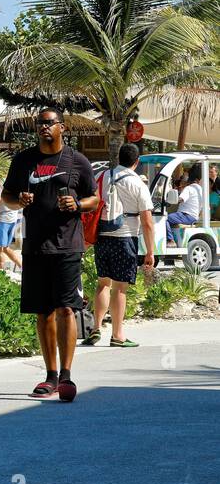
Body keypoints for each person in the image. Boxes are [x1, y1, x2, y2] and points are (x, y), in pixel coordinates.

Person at [1, 107, 97, 403]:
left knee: (66, 309)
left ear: (62, 128)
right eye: (40, 124)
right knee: (42, 313)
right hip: (35, 245)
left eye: (50, 123)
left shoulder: (76, 161)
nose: (44, 127)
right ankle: (50, 375)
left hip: (67, 245)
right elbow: (7, 195)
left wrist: (77, 205)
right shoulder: (24, 160)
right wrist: (20, 199)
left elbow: (94, 198)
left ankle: (67, 376)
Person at [87, 142, 155, 349]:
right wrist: (150, 252)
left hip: (102, 236)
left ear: (118, 158)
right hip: (125, 238)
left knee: (103, 283)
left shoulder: (103, 176)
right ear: (137, 162)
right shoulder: (137, 183)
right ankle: (117, 334)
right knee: (120, 289)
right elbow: (147, 221)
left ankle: (96, 328)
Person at [167, 163, 203, 246]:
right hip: (194, 216)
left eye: (184, 176)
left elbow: (180, 199)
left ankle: (170, 240)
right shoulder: (200, 189)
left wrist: (170, 200)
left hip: (186, 216)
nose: (183, 178)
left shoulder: (189, 188)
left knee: (165, 218)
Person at [0, 188, 24, 272]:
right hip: (12, 219)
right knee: (5, 248)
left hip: (2, 220)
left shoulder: (0, 182)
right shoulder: (15, 183)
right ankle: (22, 267)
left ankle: (2, 273)